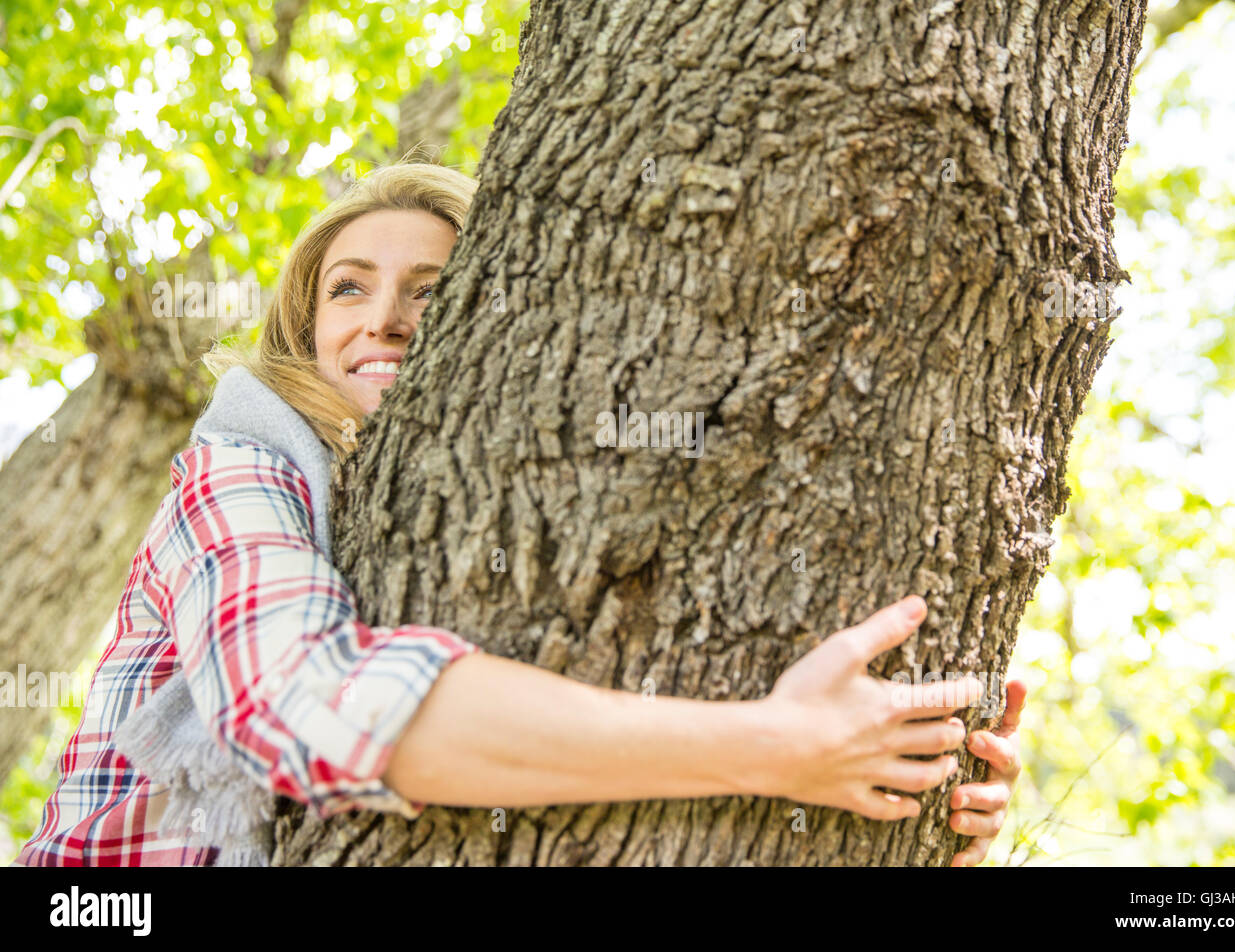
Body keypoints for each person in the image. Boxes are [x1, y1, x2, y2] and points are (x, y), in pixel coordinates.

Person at [16, 162, 1025, 867]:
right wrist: (777, 744)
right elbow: (297, 696)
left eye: (430, 285)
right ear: (304, 329)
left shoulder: (475, 504)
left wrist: (917, 790)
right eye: (346, 289)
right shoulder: (237, 471)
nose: (381, 318)